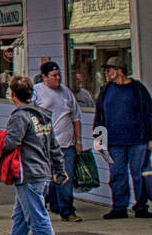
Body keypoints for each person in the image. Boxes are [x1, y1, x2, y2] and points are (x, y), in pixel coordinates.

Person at [0, 76, 69, 235]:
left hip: (26, 173)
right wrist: (59, 169)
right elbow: (53, 146)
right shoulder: (43, 115)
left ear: (12, 94)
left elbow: (11, 143)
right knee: (21, 218)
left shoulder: (19, 116)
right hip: (42, 171)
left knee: (37, 219)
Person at [92, 57, 152, 219]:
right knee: (117, 174)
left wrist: (150, 138)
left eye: (109, 69)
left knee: (139, 174)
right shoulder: (105, 90)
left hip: (137, 140)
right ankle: (119, 207)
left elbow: (148, 113)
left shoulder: (137, 89)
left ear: (119, 70)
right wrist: (98, 138)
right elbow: (100, 116)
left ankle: (141, 206)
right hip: (114, 142)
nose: (106, 73)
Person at [33, 62, 82, 221]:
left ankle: (67, 211)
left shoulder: (66, 92)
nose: (58, 78)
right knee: (47, 179)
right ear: (44, 77)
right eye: (54, 76)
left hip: (66, 144)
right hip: (44, 144)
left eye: (59, 75)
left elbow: (75, 117)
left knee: (65, 177)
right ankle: (50, 204)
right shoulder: (37, 92)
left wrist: (78, 140)